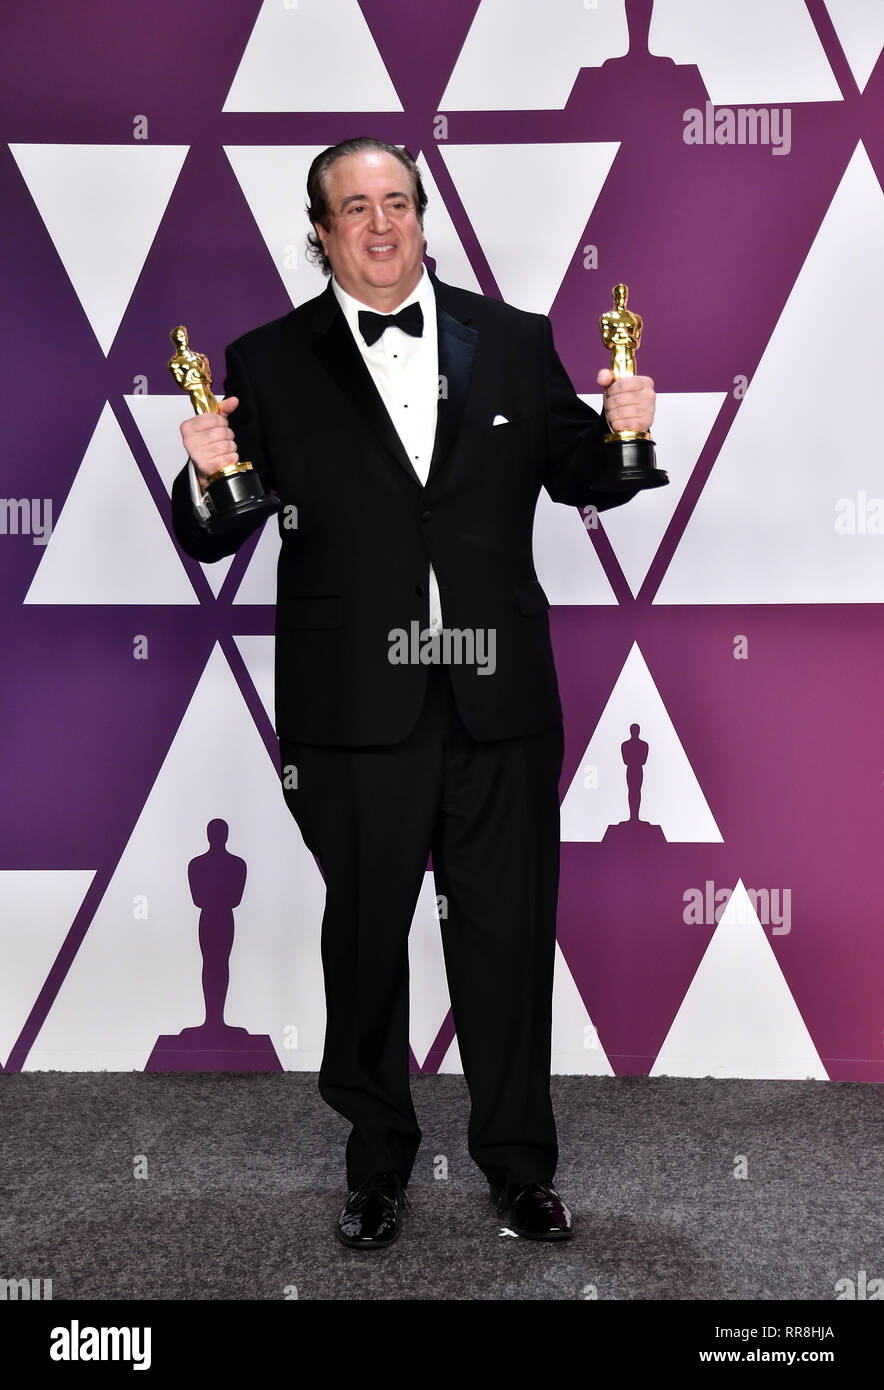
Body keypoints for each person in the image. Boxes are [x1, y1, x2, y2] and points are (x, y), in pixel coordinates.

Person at [171, 137, 655, 1250]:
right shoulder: (269, 358)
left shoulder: (514, 341)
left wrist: (624, 423)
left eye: (396, 202)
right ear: (322, 228)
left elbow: (583, 473)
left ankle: (518, 1166)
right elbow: (217, 531)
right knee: (366, 941)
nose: (379, 226)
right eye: (354, 208)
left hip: (498, 699)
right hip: (353, 707)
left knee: (506, 933)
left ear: (424, 216)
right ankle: (375, 1164)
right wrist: (204, 469)